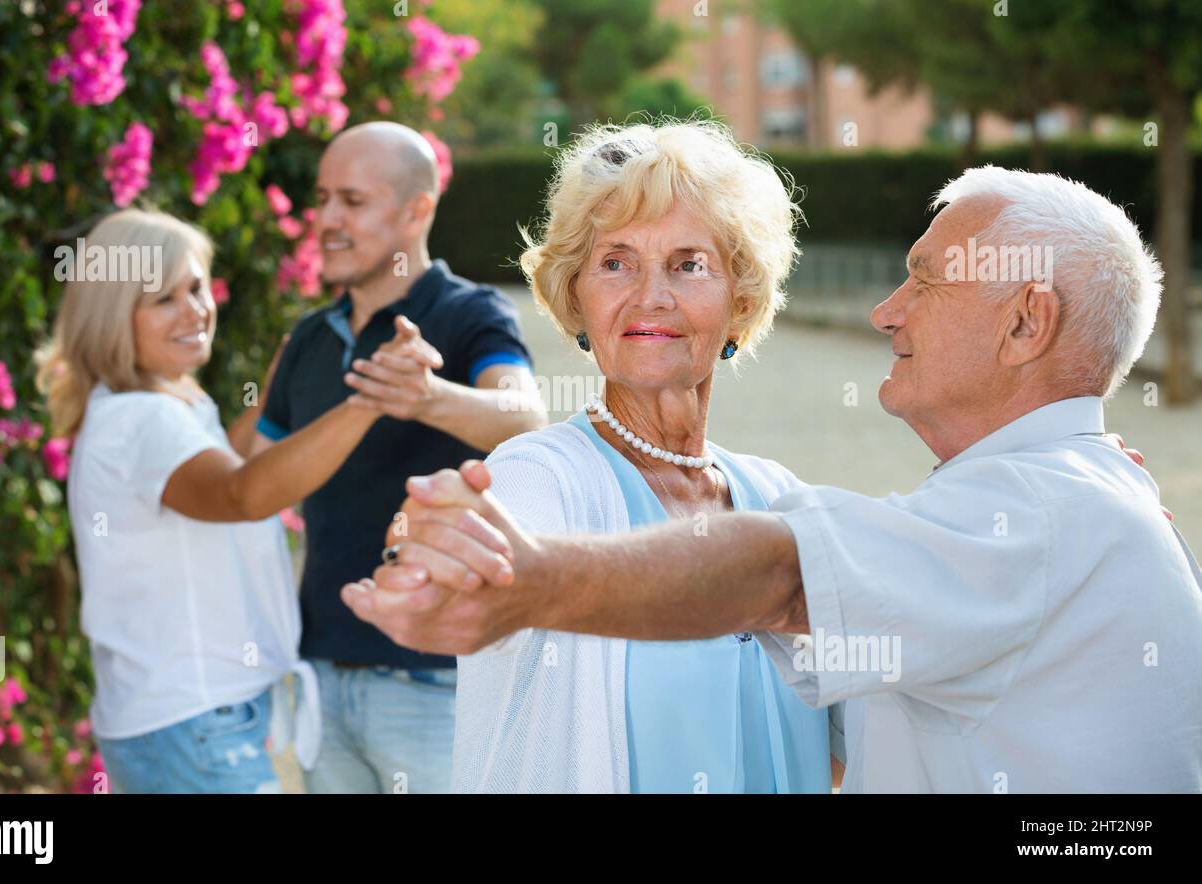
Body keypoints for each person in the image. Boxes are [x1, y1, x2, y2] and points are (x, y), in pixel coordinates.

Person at [346, 166, 1202, 793]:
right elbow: (471, 542)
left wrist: (535, 580)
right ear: (573, 296)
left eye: (689, 264)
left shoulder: (797, 499)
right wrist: (429, 547)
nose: (886, 309)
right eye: (614, 263)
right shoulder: (539, 474)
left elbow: (789, 595)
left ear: (741, 302)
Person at [35, 207, 438, 793]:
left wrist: (276, 384)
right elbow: (239, 492)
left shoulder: (161, 403)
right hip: (197, 726)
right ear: (113, 318)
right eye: (163, 299)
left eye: (197, 288)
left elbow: (221, 464)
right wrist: (372, 399)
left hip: (181, 721)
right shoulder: (143, 421)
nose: (195, 311)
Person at [252, 122, 546, 794]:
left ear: (418, 210)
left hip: (437, 684)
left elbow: (524, 418)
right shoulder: (307, 336)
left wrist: (429, 397)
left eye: (351, 202)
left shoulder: (471, 314)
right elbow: (254, 478)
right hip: (324, 677)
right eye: (322, 199)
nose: (326, 219)